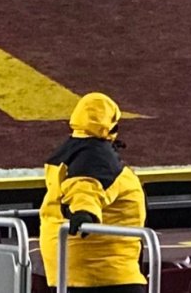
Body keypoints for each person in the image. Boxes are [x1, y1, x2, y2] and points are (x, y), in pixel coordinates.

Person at [39, 93, 147, 293]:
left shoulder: (68, 151)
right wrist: (84, 212)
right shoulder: (98, 156)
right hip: (105, 272)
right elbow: (85, 186)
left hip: (67, 269)